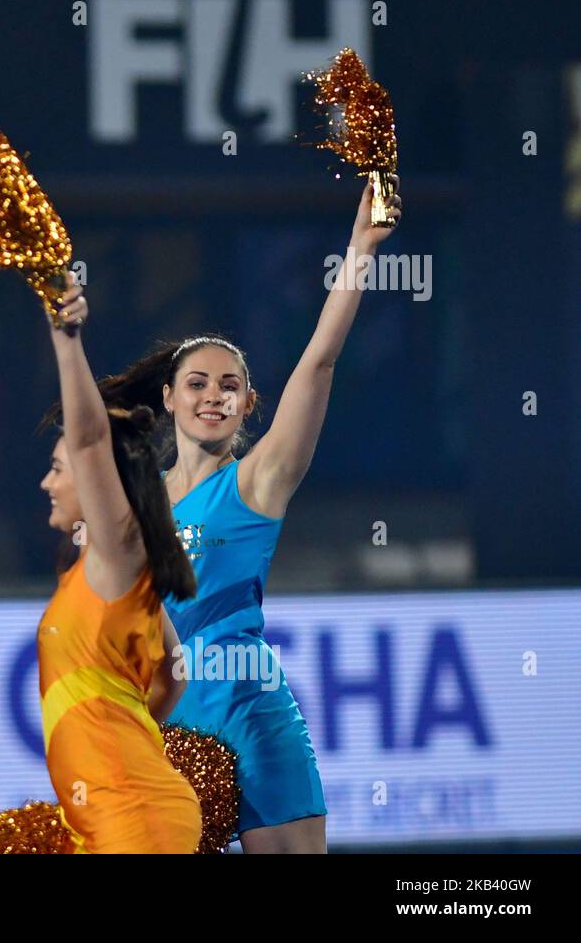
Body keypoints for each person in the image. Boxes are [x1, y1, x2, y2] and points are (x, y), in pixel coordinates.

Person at [97, 177, 403, 852]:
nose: (214, 395)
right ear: (169, 398)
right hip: (162, 729)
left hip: (251, 717)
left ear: (248, 403)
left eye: (230, 385)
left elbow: (318, 364)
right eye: (198, 383)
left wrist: (360, 247)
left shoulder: (258, 481)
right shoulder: (132, 503)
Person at [36, 272, 202, 853]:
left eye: (58, 469)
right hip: (116, 812)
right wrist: (132, 730)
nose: (46, 482)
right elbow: (175, 667)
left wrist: (66, 336)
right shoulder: (102, 574)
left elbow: (86, 440)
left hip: (134, 817)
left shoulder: (119, 554)